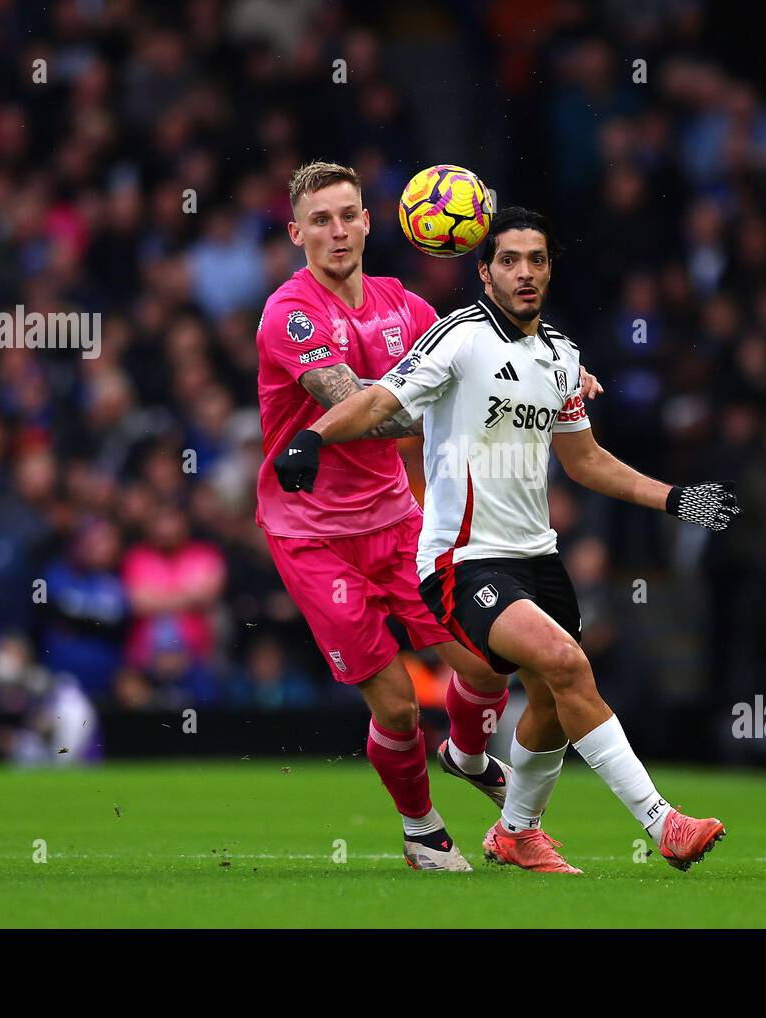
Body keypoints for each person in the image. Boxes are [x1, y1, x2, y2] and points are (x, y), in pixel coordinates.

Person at [274, 207, 741, 874]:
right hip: (462, 561)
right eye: (510, 260)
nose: (524, 271)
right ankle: (664, 822)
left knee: (551, 696)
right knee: (566, 663)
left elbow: (586, 462)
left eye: (537, 260)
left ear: (550, 270)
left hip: (537, 556)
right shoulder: (455, 338)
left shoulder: (561, 357)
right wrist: (315, 437)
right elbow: (382, 401)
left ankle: (515, 831)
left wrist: (674, 498)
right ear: (485, 272)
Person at [255, 164, 603, 871]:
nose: (338, 230)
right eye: (320, 220)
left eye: (348, 214)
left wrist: (558, 375)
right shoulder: (290, 315)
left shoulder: (405, 307)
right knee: (398, 708)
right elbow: (354, 404)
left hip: (399, 523)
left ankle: (467, 755)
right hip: (314, 536)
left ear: (371, 221)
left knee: (486, 667)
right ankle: (421, 830)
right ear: (297, 235)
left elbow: (487, 347)